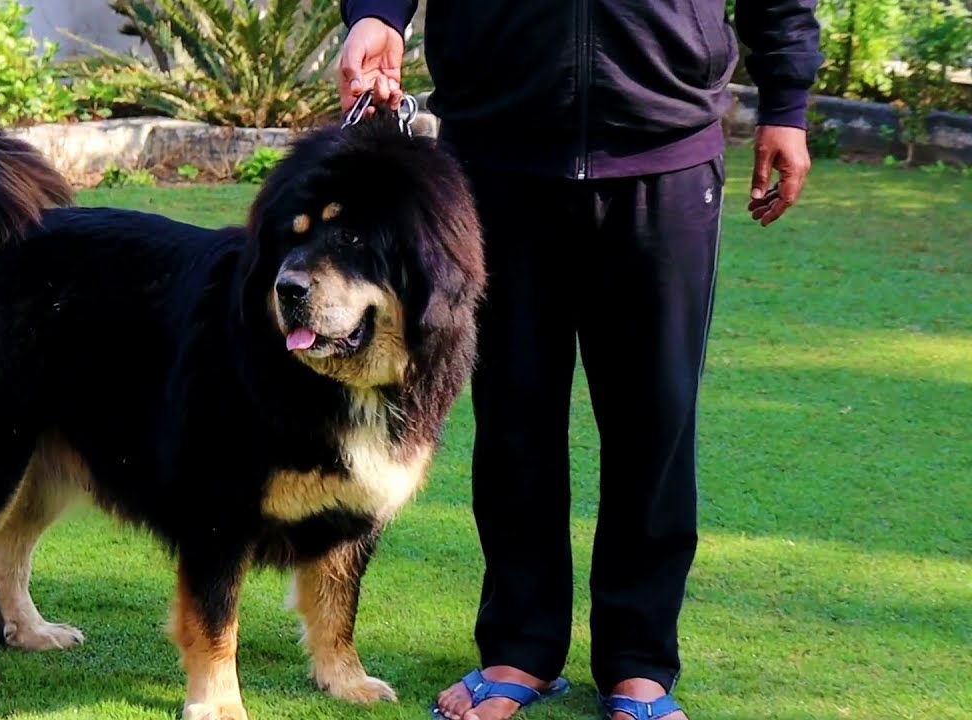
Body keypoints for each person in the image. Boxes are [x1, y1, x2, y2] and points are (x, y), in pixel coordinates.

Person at [335, 1, 823, 719]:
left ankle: (640, 664)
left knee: (655, 420)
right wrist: (376, 12)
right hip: (495, 149)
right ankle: (520, 649)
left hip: (666, 142)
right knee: (513, 416)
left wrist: (787, 100)